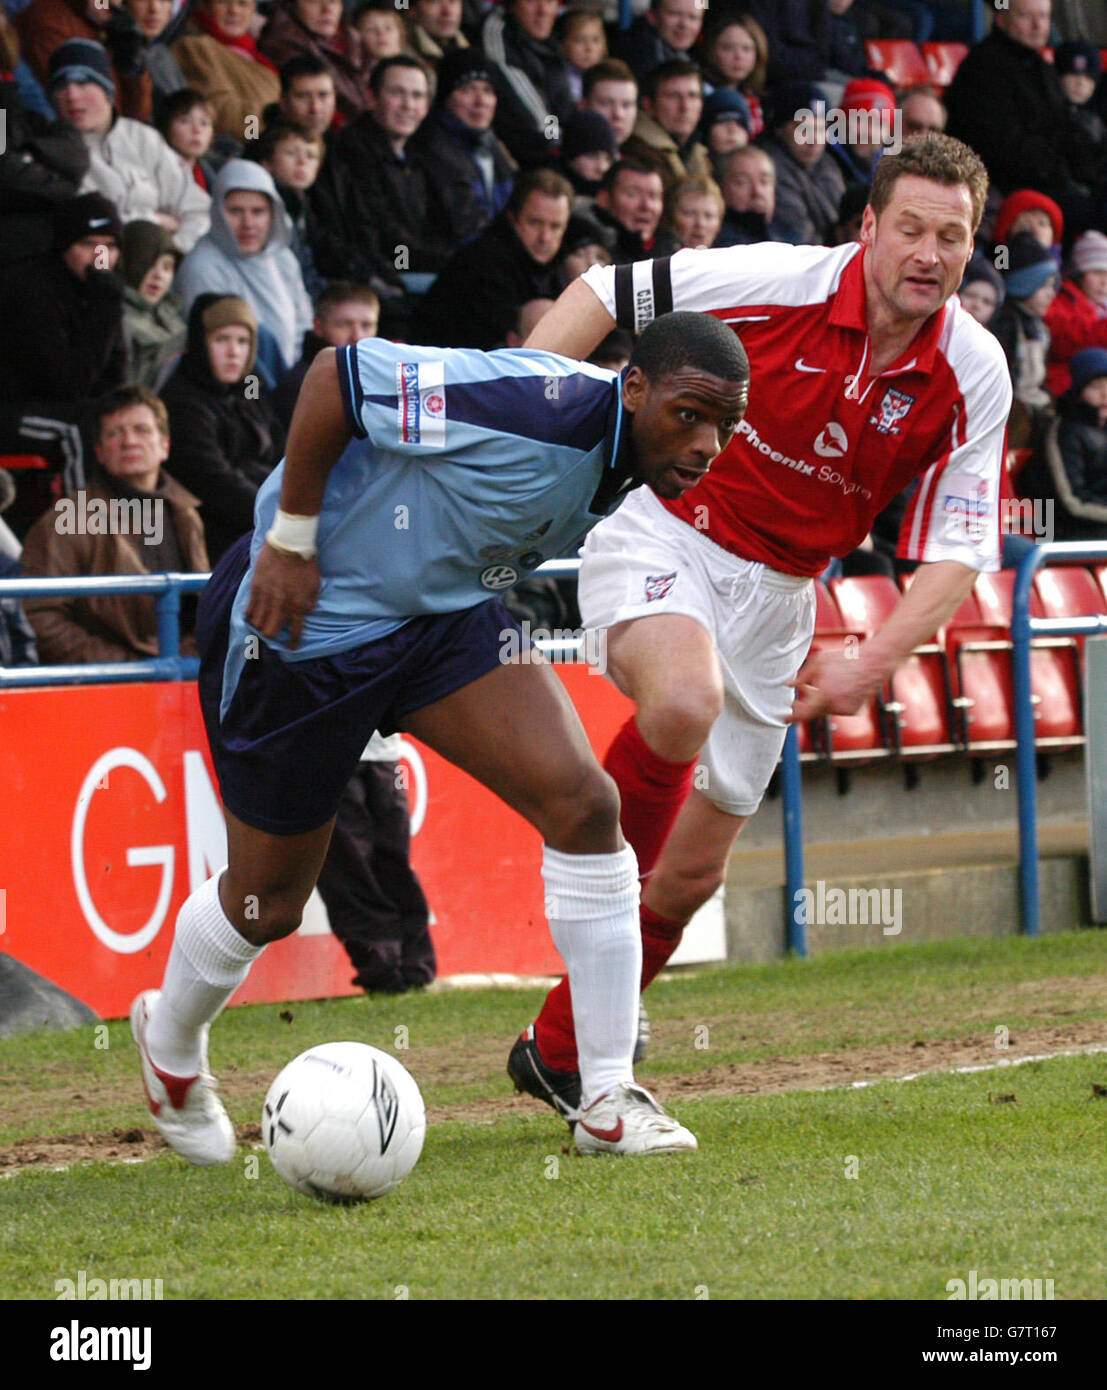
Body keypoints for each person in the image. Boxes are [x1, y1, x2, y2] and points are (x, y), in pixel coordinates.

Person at [129, 310, 752, 1163]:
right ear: (633, 387)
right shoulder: (534, 405)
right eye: (690, 414)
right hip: (305, 626)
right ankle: (170, 1052)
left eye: (726, 425)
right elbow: (335, 380)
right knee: (265, 904)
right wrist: (288, 540)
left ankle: (606, 1096)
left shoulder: (636, 458)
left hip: (441, 618)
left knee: (583, 805)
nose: (708, 441)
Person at [515, 132, 1013, 1122]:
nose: (927, 252)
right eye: (908, 227)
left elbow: (960, 549)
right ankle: (585, 873)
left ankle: (562, 1051)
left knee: (694, 872)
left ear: (970, 248)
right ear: (868, 225)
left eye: (950, 237)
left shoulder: (975, 370)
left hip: (786, 599)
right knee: (684, 700)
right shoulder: (775, 278)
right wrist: (507, 416)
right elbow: (608, 295)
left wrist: (873, 655)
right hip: (671, 529)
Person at [20, 384, 208, 663]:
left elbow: (202, 611)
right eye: (114, 433)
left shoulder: (186, 513)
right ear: (99, 452)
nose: (129, 441)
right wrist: (128, 666)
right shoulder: (68, 519)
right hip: (107, 690)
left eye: (141, 430)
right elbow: (38, 617)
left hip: (183, 678)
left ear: (164, 446)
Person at [48, 37, 212, 253]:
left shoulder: (144, 138)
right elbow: (91, 228)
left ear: (107, 89)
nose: (71, 95)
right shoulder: (52, 151)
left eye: (82, 83)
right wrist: (155, 220)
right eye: (62, 86)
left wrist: (172, 255)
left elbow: (199, 210)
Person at [159, 293, 284, 562]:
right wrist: (278, 514)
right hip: (220, 537)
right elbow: (214, 482)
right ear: (201, 343)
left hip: (262, 523)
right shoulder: (183, 399)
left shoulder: (250, 386)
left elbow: (281, 450)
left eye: (243, 341)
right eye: (221, 340)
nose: (234, 352)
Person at [173, 158, 313, 379]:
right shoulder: (201, 266)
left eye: (258, 212)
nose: (248, 223)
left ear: (272, 213)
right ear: (218, 212)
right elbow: (213, 345)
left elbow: (303, 323)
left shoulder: (283, 258)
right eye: (236, 211)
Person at [411, 168, 573, 349]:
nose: (545, 237)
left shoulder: (558, 269)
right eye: (535, 223)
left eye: (556, 227)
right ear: (513, 218)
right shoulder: (480, 264)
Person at [1021, 347, 1107, 541]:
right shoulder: (1063, 432)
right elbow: (1071, 502)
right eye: (1095, 386)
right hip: (1063, 530)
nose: (1105, 394)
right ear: (1078, 391)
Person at [273, 279, 380, 430]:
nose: (357, 336)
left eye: (366, 325)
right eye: (344, 325)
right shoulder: (301, 386)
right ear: (318, 326)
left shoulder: (383, 376)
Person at [480, 0, 573, 167]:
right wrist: (557, 142)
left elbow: (561, 105)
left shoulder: (551, 40)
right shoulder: (498, 33)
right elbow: (540, 118)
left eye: (550, 1)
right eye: (532, 1)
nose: (543, 10)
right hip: (529, 159)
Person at [171, 0, 281, 139]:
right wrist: (269, 128)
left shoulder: (252, 52)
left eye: (242, 3)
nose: (234, 10)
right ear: (204, 5)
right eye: (222, 2)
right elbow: (223, 116)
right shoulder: (195, 47)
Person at [761, 80, 847, 247]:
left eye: (821, 129)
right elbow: (802, 241)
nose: (813, 140)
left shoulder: (828, 164)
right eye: (803, 129)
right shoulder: (769, 168)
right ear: (779, 129)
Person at [257, 0, 370, 125]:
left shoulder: (350, 37)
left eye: (333, 1)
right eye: (314, 1)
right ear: (292, 4)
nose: (327, 9)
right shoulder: (284, 43)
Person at [623, 58, 711, 194]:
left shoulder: (700, 154)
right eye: (673, 96)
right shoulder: (636, 155)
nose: (685, 107)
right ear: (648, 105)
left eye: (693, 96)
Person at [119, 218, 187, 389]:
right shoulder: (116, 319)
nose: (159, 275)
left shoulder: (172, 316)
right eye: (149, 263)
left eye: (167, 267)